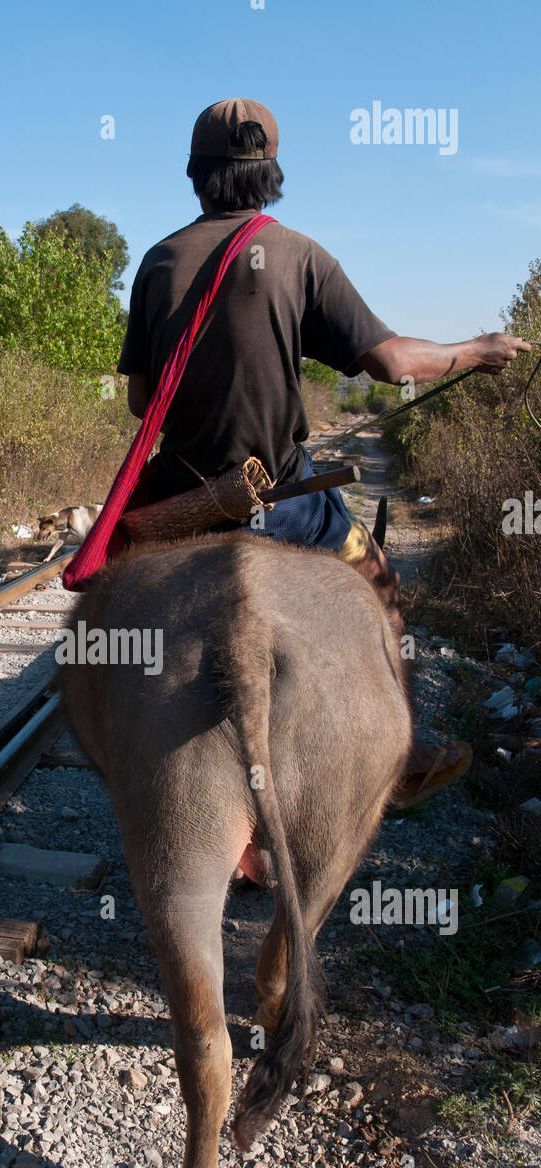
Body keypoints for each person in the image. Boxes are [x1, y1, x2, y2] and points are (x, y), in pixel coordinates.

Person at [118, 97, 533, 807]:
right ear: (269, 173)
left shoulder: (158, 262)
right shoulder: (297, 255)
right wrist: (476, 349)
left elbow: (138, 403)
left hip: (181, 498)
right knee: (378, 584)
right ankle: (402, 752)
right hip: (277, 502)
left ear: (196, 175)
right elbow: (390, 363)